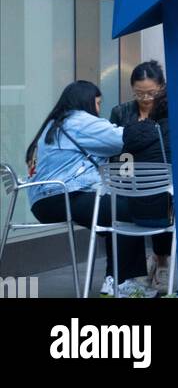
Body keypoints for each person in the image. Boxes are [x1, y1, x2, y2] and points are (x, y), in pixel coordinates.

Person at [26, 80, 155, 297]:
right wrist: (150, 128)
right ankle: (120, 281)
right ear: (86, 102)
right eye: (97, 103)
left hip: (43, 201)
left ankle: (115, 280)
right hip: (64, 195)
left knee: (113, 210)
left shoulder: (54, 123)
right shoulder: (80, 121)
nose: (98, 109)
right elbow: (120, 139)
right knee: (126, 209)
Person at [120, 89, 173, 293]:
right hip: (167, 217)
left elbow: (124, 177)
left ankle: (157, 265)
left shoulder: (132, 133)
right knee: (170, 198)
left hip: (133, 215)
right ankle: (164, 267)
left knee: (158, 196)